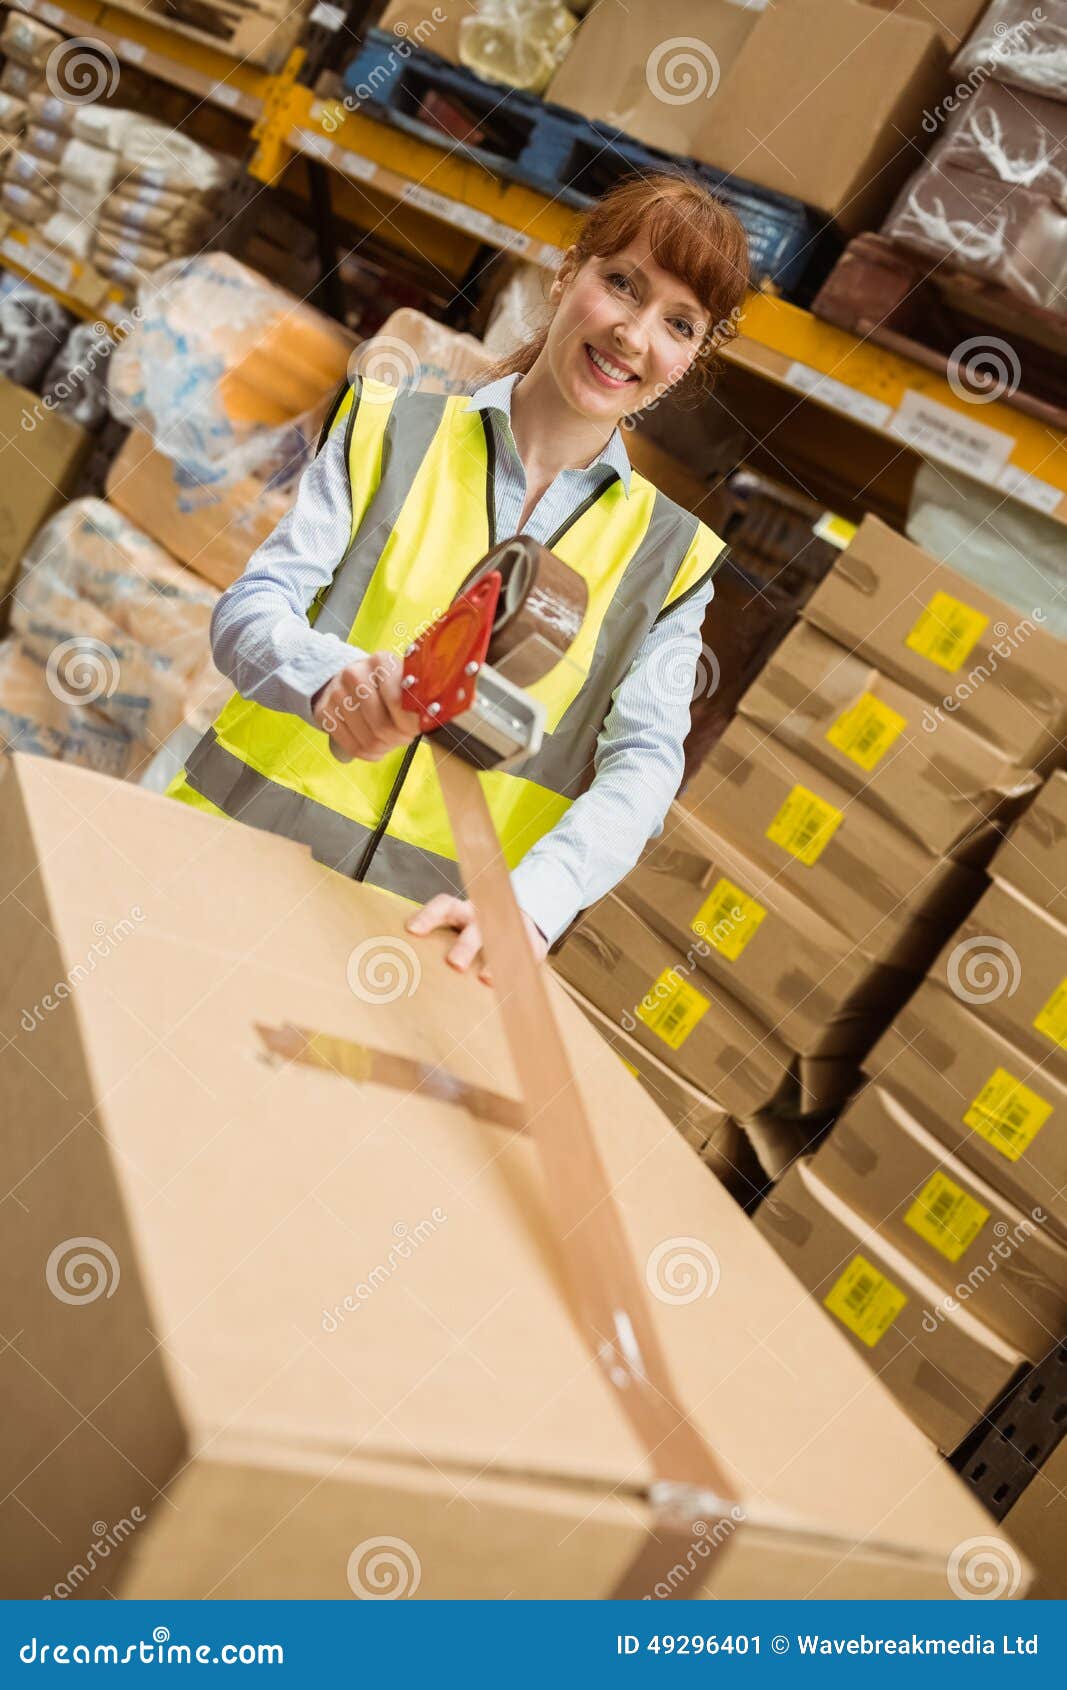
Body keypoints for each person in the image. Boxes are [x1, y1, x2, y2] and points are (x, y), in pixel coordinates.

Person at [165, 172, 749, 984]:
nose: (633, 334)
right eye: (622, 284)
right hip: (224, 865)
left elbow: (645, 765)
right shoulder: (389, 429)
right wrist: (328, 681)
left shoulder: (670, 560)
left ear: (687, 361)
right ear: (566, 274)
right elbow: (249, 613)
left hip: (411, 948)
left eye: (677, 324)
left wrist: (537, 900)